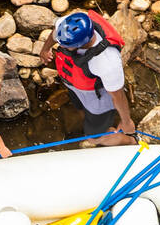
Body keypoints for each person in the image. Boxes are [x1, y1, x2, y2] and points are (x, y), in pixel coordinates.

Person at [39, 10, 136, 147]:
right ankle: (86, 118)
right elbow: (56, 32)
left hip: (98, 98)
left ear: (80, 44)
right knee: (80, 109)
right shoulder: (74, 24)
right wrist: (45, 49)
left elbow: (118, 96)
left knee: (94, 138)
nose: (60, 46)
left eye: (65, 45)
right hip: (76, 85)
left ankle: (131, 141)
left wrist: (126, 122)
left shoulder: (107, 62)